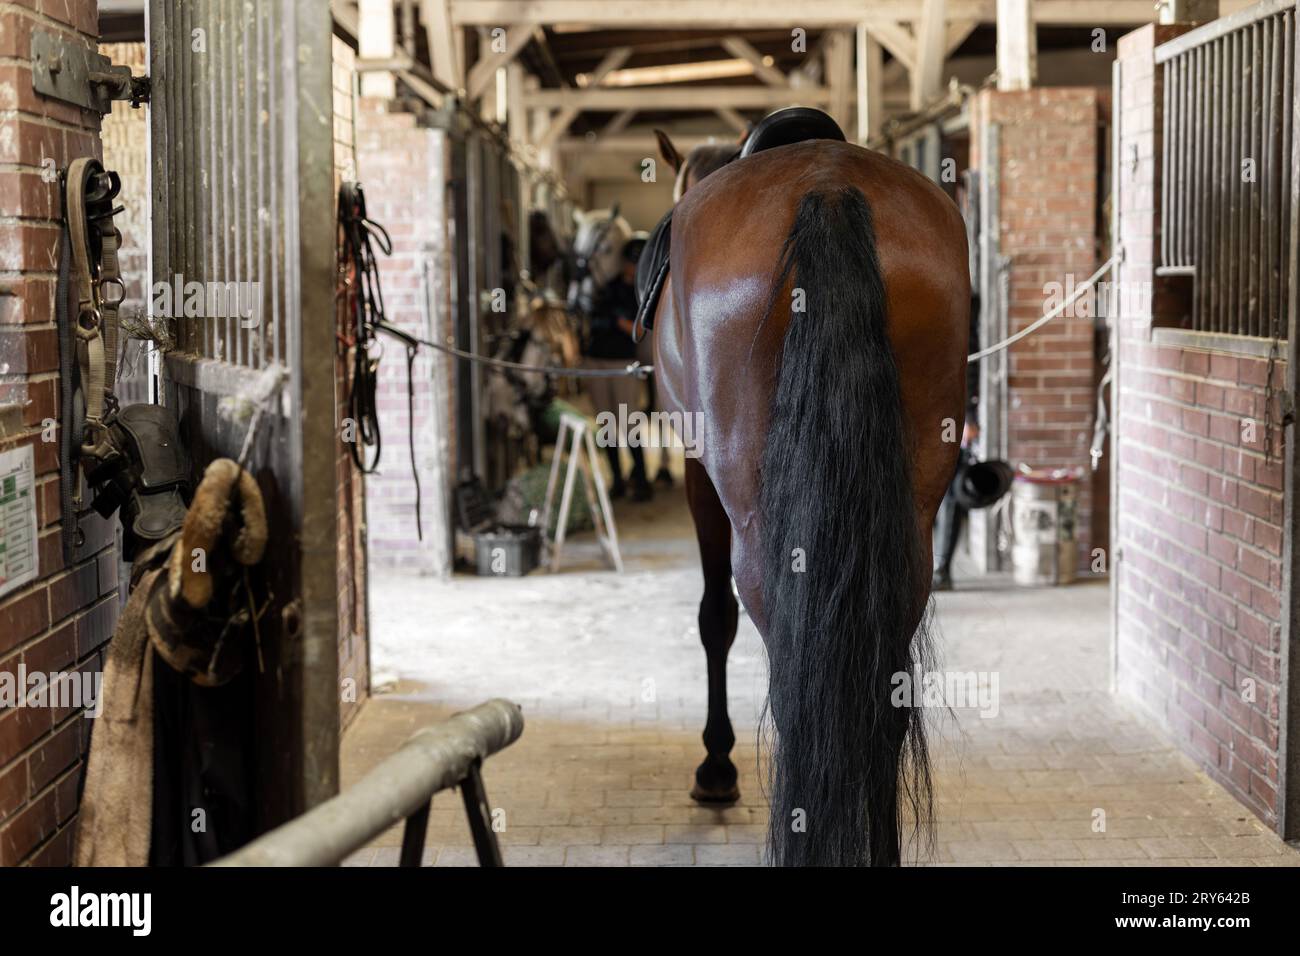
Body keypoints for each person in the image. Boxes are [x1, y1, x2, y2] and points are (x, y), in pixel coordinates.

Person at [584, 237, 652, 502]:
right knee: (606, 425)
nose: (632, 267)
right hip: (596, 359)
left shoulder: (641, 290)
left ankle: (642, 480)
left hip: (622, 363)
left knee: (628, 422)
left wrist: (617, 320)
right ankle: (617, 480)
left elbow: (636, 329)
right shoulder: (608, 287)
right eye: (630, 262)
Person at [933, 295, 980, 591]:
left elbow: (969, 363)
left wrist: (969, 416)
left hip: (952, 416)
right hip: (931, 414)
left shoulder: (963, 306)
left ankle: (943, 569)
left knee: (951, 490)